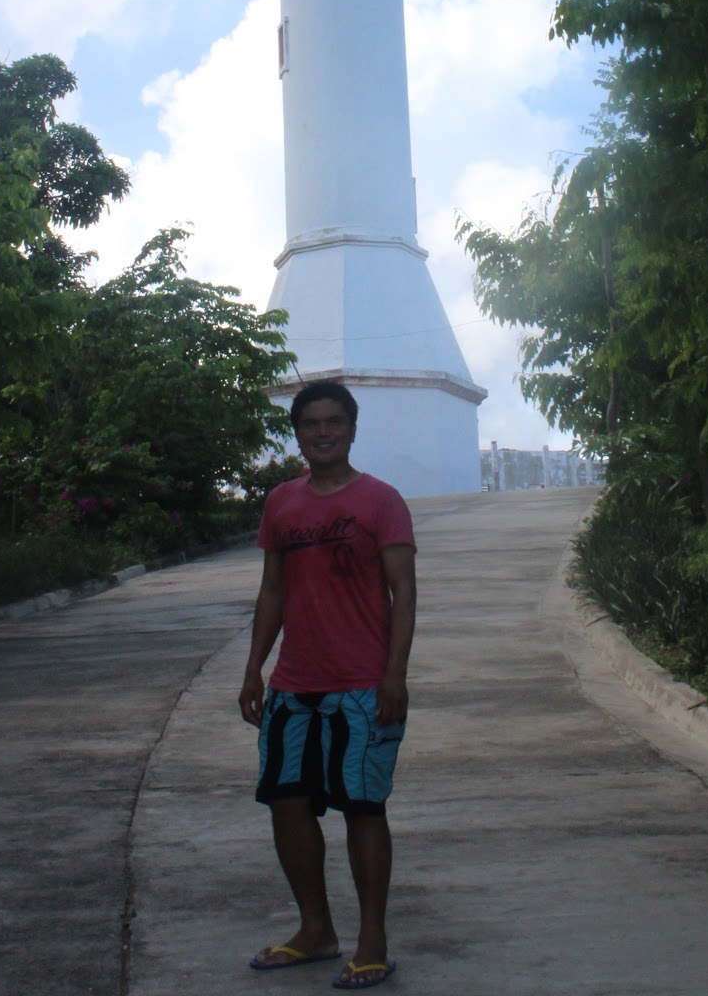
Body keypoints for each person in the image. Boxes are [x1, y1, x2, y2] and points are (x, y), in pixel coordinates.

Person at [238, 380, 417, 991]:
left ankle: (372, 941)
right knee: (286, 803)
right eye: (311, 423)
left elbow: (404, 593)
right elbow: (272, 592)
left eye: (334, 422)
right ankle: (315, 929)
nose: (322, 432)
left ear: (352, 429)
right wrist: (254, 667)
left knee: (363, 808)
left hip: (363, 686)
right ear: (297, 432)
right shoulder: (282, 503)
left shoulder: (382, 501)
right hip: (294, 686)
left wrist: (394, 674)